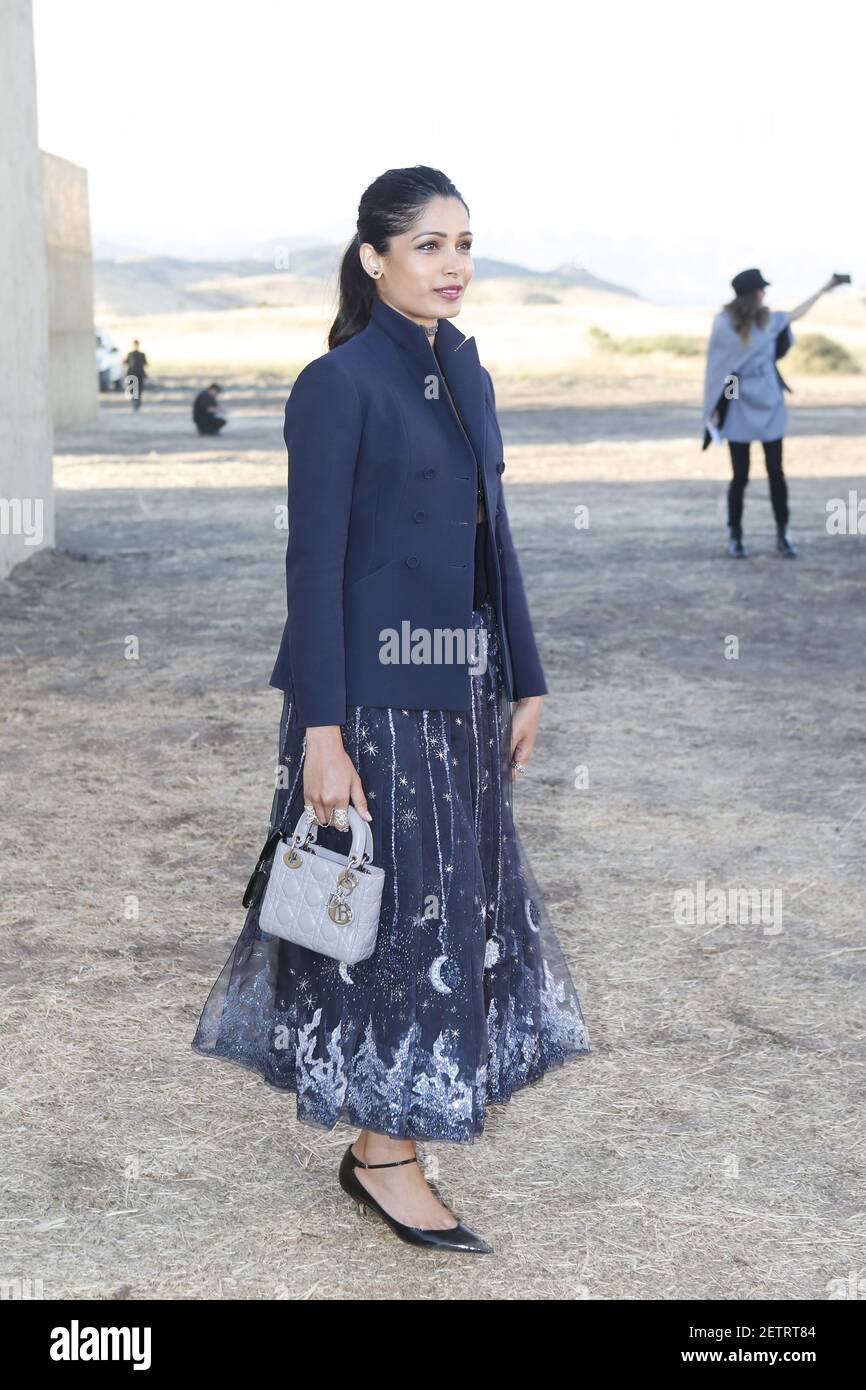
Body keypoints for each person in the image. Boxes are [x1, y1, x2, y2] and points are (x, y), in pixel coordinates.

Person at [190, 166, 590, 1254]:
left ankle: (391, 1134)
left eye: (464, 242)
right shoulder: (338, 384)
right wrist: (321, 732)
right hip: (368, 709)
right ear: (372, 258)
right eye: (426, 244)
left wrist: (524, 672)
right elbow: (310, 569)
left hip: (459, 693)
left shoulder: (464, 370)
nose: (452, 264)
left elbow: (488, 537)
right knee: (386, 930)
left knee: (445, 918)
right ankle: (383, 1156)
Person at [702, 269, 845, 557]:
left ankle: (781, 534)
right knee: (742, 476)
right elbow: (723, 370)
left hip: (764, 399)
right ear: (754, 293)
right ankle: (737, 536)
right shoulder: (724, 324)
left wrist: (823, 289)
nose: (764, 294)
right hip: (742, 396)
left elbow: (796, 313)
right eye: (761, 290)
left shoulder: (768, 320)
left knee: (772, 473)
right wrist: (720, 407)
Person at [124, 339, 148, 411]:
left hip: (134, 373)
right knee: (136, 389)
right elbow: (146, 364)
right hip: (136, 373)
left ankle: (136, 403)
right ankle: (136, 403)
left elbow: (125, 362)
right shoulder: (133, 354)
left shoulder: (133, 354)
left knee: (136, 389)